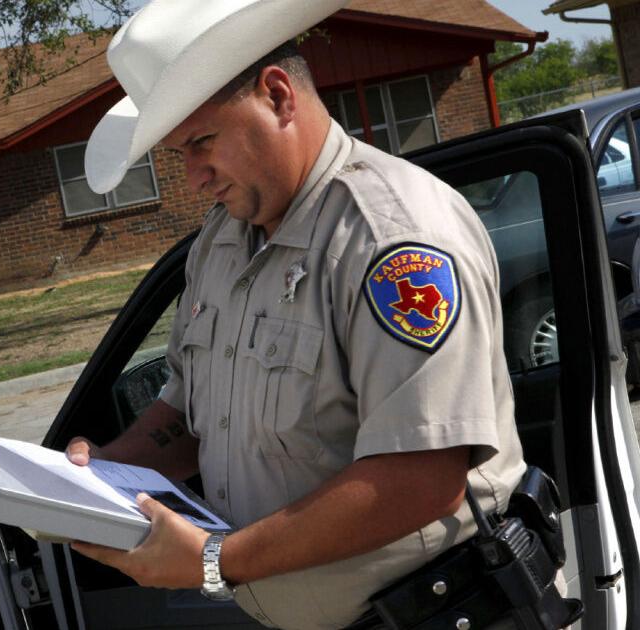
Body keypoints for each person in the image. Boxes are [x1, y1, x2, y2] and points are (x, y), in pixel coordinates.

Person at [64, 1, 529, 628]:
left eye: (202, 142)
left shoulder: (390, 237)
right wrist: (101, 477)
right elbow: (194, 414)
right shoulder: (219, 245)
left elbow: (423, 474)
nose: (193, 176)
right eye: (178, 153)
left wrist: (213, 559)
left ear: (278, 96)